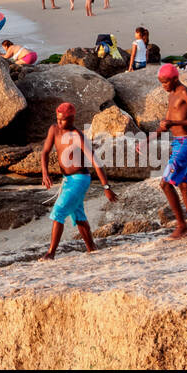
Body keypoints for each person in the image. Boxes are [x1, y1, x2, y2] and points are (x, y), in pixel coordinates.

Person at [38, 102, 116, 259]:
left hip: (80, 180)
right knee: (78, 214)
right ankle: (92, 249)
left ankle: (50, 253)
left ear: (72, 119)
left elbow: (95, 162)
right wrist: (44, 173)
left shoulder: (78, 136)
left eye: (63, 120)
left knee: (58, 211)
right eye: (58, 119)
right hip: (67, 180)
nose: (59, 123)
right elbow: (45, 152)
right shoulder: (54, 129)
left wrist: (106, 187)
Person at [143, 64, 187, 239]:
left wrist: (175, 124)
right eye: (161, 83)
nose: (163, 86)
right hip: (178, 143)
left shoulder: (184, 92)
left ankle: (181, 225)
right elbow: (167, 124)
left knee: (165, 183)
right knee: (184, 186)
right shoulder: (171, 95)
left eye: (165, 83)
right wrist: (147, 140)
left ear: (175, 79)